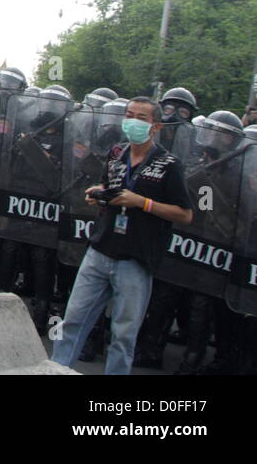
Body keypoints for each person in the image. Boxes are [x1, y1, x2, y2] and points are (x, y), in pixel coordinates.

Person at [50, 96, 194, 374]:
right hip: (99, 251)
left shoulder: (169, 164)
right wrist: (100, 193)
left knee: (123, 337)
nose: (132, 121)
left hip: (135, 261)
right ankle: (56, 369)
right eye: (129, 115)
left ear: (155, 126)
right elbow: (111, 184)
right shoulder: (116, 153)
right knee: (72, 322)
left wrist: (142, 203)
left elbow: (185, 214)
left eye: (141, 118)